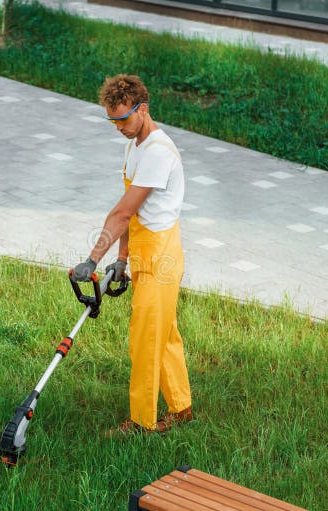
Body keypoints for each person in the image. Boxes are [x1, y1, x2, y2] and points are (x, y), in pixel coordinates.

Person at [72, 74, 192, 434]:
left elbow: (123, 213)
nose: (118, 127)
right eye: (113, 121)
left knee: (145, 339)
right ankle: (181, 406)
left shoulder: (157, 152)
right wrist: (122, 259)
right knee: (164, 332)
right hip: (143, 247)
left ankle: (142, 420)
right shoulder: (135, 145)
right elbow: (134, 213)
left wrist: (92, 260)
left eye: (123, 119)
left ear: (143, 109)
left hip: (161, 254)